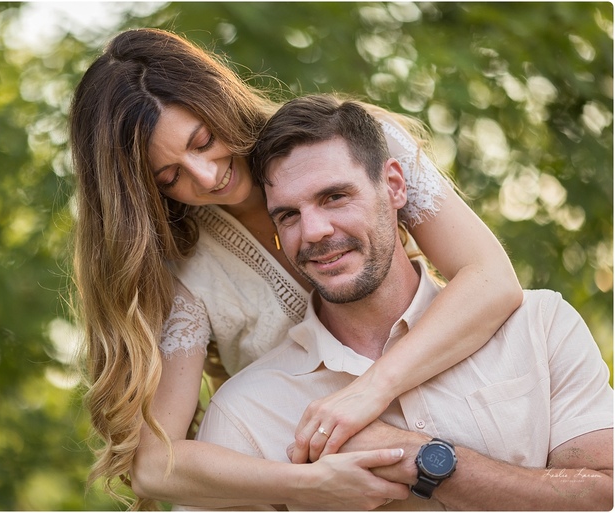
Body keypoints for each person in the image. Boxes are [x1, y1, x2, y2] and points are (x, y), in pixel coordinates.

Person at [68, 28, 523, 509]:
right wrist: (307, 484)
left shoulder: (348, 141)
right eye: (170, 176)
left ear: (219, 100)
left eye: (203, 141)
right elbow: (153, 464)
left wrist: (371, 391)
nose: (207, 176)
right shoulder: (183, 268)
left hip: (464, 429)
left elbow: (493, 280)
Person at [188, 94, 614, 510]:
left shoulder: (539, 326)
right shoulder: (246, 413)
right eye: (289, 215)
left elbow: (604, 495)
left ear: (394, 185)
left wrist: (419, 460)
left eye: (334, 197)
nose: (314, 230)